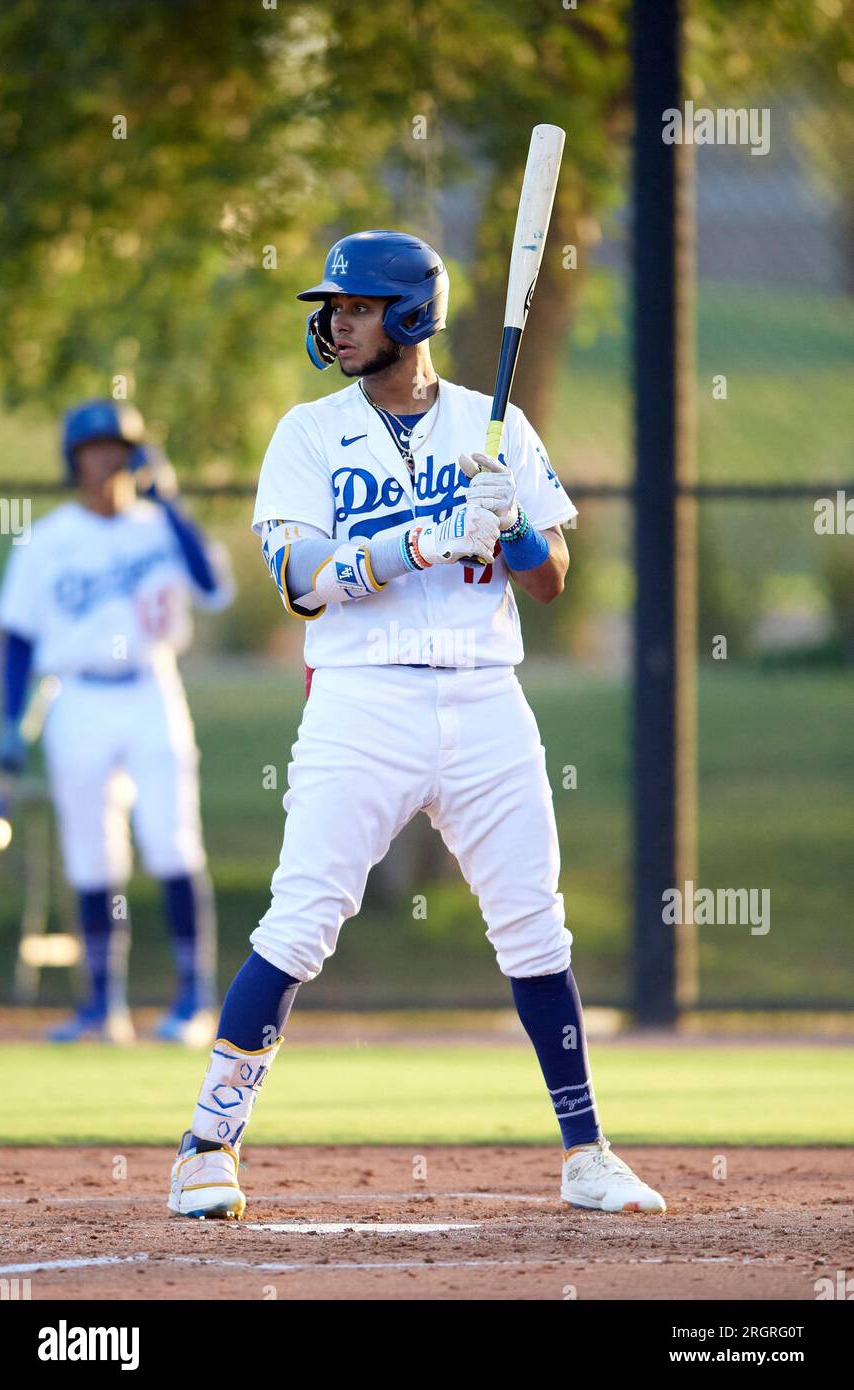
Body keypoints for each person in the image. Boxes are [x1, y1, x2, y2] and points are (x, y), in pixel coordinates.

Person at [168, 230, 665, 1216]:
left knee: (532, 923)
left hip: (485, 696)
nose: (335, 322)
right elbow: (299, 581)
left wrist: (512, 522)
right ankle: (205, 1144)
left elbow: (551, 579)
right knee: (302, 916)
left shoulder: (495, 425)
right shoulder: (307, 435)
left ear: (407, 316)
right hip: (362, 699)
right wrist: (419, 541)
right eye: (334, 308)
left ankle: (584, 1154)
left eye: (354, 307)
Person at [0, 400, 235, 1045]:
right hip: (77, 696)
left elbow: (214, 586)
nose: (104, 460)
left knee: (172, 841)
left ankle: (193, 1002)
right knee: (92, 854)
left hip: (152, 688)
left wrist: (175, 504)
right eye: (92, 450)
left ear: (134, 456)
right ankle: (104, 1007)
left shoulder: (160, 525)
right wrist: (10, 724)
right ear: (74, 463)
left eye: (116, 448)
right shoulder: (48, 540)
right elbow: (16, 639)